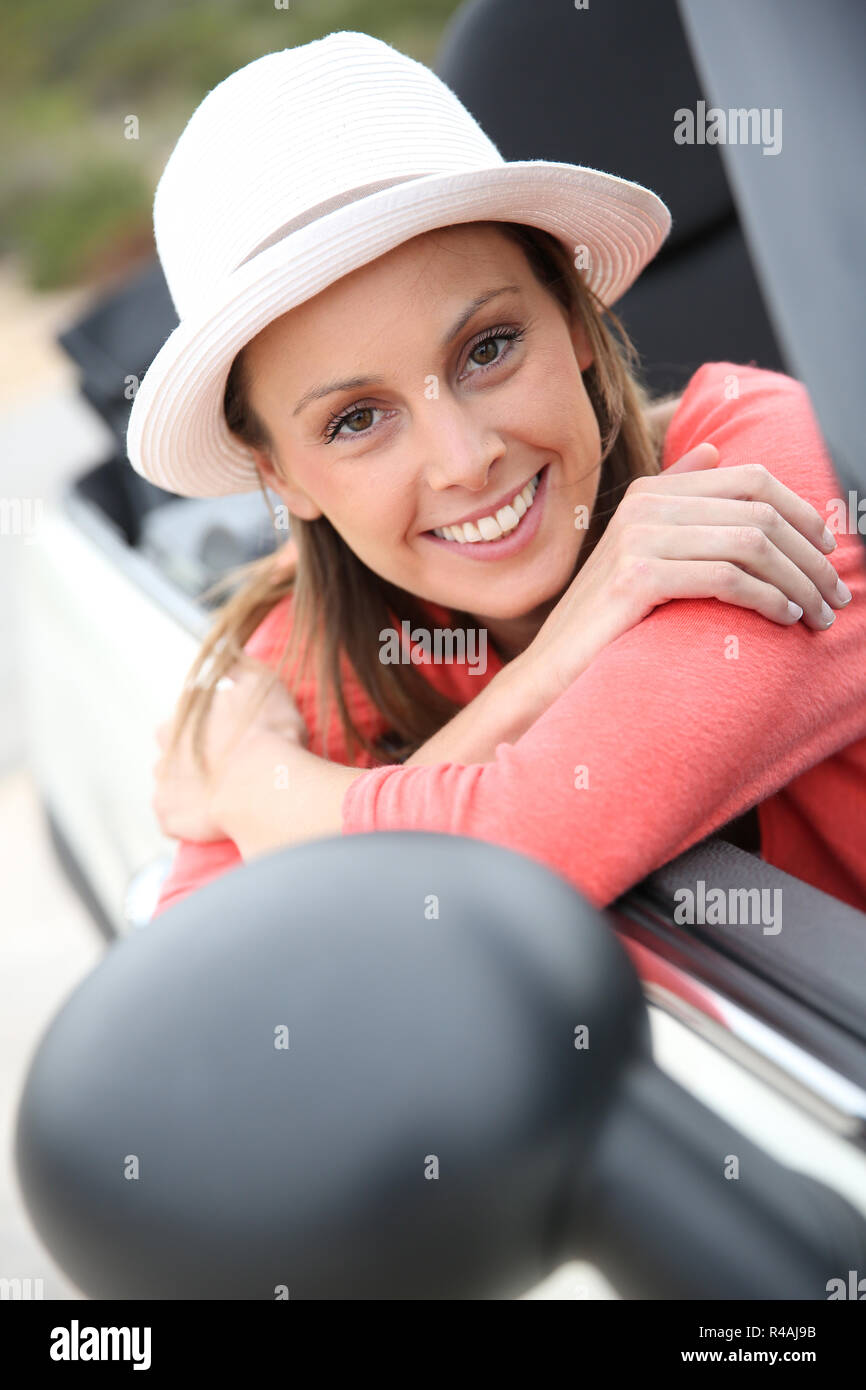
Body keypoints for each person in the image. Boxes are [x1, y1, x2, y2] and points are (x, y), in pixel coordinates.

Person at [128, 33, 866, 919]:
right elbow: (215, 952)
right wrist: (549, 665)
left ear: (579, 325)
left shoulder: (760, 476)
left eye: (487, 349)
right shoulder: (314, 640)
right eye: (356, 419)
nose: (463, 456)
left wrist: (255, 791)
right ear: (282, 477)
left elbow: (535, 838)